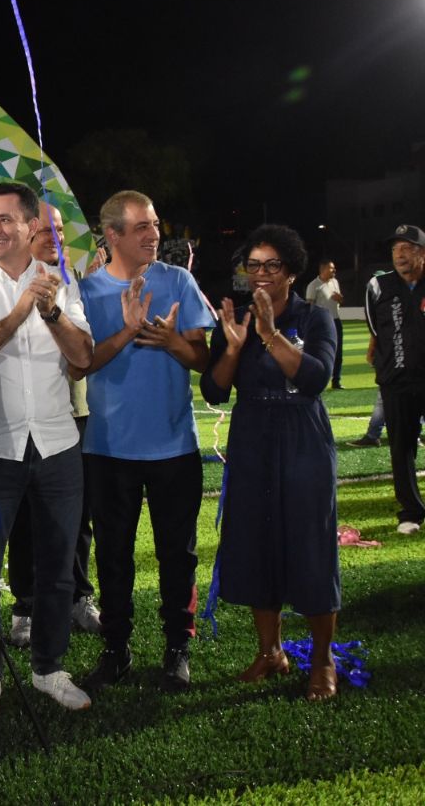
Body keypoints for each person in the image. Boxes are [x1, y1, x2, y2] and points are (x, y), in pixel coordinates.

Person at [0, 184, 95, 720]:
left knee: (59, 567)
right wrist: (17, 313)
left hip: (57, 441)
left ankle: (48, 668)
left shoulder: (62, 282)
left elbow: (82, 361)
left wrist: (52, 310)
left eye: (5, 220)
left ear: (32, 226)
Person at [76, 190, 216, 694]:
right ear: (112, 235)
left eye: (155, 224)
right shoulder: (86, 292)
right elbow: (81, 362)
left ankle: (177, 649)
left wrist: (170, 340)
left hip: (175, 447)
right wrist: (128, 331)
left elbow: (203, 360)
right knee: (113, 557)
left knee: (177, 556)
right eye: (141, 228)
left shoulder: (178, 280)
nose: (154, 235)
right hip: (108, 450)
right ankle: (117, 649)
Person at [201, 225, 340, 701]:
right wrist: (236, 347)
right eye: (253, 265)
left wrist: (270, 335)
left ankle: (323, 659)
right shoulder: (236, 318)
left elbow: (316, 378)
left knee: (310, 542)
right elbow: (214, 390)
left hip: (302, 434)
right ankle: (270, 651)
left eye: (271, 266)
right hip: (253, 435)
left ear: (292, 271)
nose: (260, 274)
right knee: (258, 541)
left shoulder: (315, 316)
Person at [6, 202, 102, 649]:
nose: (55, 238)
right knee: (25, 517)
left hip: (72, 414)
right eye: (46, 230)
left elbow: (82, 361)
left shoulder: (72, 284)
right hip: (18, 423)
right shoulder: (2, 282)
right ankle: (25, 604)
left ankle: (79, 595)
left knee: (75, 517)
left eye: (60, 231)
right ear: (24, 231)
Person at [364, 224, 425, 535]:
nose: (400, 255)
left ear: (422, 254)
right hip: (396, 382)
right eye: (395, 249)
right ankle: (411, 513)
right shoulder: (378, 286)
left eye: (408, 248)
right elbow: (376, 332)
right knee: (401, 448)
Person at [305, 258, 344, 389]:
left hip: (336, 320)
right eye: (331, 268)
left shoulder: (335, 282)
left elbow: (340, 300)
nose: (334, 270)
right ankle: (317, 381)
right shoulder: (313, 285)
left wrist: (340, 299)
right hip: (322, 324)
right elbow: (309, 307)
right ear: (323, 270)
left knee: (338, 353)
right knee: (320, 352)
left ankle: (336, 381)